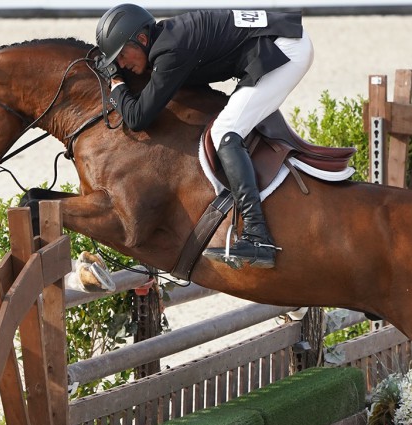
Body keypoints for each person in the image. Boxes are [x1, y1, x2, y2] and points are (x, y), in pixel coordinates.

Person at [94, 5, 313, 269]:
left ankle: (258, 236)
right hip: (279, 43)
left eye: (120, 57)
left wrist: (117, 84)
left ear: (141, 39)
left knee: (225, 131)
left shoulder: (171, 49)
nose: (121, 65)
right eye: (116, 64)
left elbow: (138, 117)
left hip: (285, 50)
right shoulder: (168, 39)